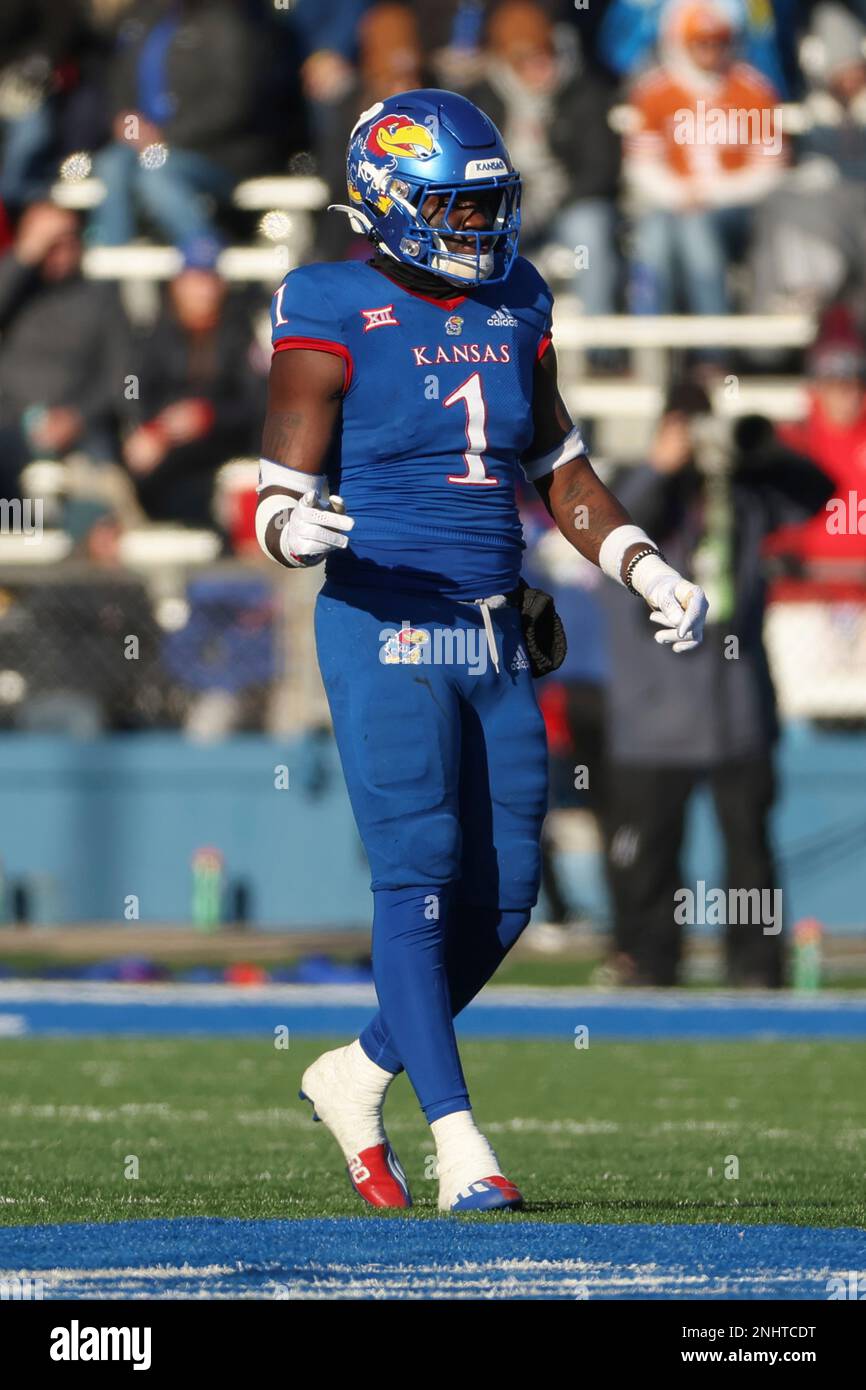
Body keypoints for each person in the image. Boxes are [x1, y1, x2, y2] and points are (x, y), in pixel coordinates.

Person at [255, 89, 708, 1212]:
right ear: (388, 200)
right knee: (418, 876)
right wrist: (287, 528)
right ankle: (462, 1145)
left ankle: (356, 1072)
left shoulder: (517, 295)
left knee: (506, 897)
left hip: (498, 631)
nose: (478, 227)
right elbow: (277, 490)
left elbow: (559, 466)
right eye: (455, 207)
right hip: (386, 625)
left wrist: (644, 565)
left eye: (486, 204)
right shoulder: (327, 302)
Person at [599, 385, 834, 988]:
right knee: (649, 854)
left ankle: (756, 966)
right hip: (653, 713)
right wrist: (660, 467)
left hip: (736, 709)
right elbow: (610, 531)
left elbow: (817, 493)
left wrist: (760, 449)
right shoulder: (633, 485)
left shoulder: (743, 493)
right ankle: (649, 962)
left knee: (749, 851)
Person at [625, 0, 784, 317]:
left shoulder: (753, 89)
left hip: (737, 209)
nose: (709, 51)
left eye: (717, 42)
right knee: (652, 239)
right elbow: (641, 166)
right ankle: (653, 336)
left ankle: (712, 338)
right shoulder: (654, 91)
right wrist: (679, 194)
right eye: (700, 43)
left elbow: (769, 171)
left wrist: (712, 194)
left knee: (696, 231)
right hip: (671, 204)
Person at [465, 1, 621, 315]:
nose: (538, 66)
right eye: (524, 59)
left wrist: (555, 202)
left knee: (589, 230)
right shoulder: (482, 99)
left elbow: (600, 167)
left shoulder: (583, 92)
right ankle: (488, 323)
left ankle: (598, 329)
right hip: (507, 200)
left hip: (570, 200)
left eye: (543, 54)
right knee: (482, 231)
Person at [122, 239, 267, 527]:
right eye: (195, 280)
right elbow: (130, 383)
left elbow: (256, 401)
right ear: (178, 284)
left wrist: (208, 415)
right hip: (166, 456)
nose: (204, 291)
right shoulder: (154, 333)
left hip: (222, 451)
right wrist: (149, 427)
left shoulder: (237, 333)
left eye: (210, 280)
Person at [0, 200, 128, 499]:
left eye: (68, 240)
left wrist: (78, 417)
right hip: (10, 423)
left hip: (82, 430)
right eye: (49, 244)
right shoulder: (16, 292)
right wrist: (25, 255)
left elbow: (125, 379)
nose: (59, 251)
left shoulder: (102, 298)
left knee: (100, 492)